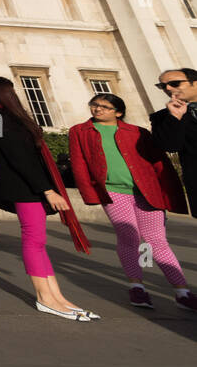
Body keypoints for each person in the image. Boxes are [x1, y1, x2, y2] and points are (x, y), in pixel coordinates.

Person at [0, 76, 94, 320]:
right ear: (4, 94)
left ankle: (57, 297)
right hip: (24, 185)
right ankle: (44, 297)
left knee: (38, 242)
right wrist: (47, 190)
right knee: (34, 241)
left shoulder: (1, 118)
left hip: (28, 183)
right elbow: (13, 154)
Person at [69, 93, 193, 311]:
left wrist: (167, 191)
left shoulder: (138, 132)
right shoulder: (79, 131)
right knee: (129, 236)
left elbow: (159, 163)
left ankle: (182, 292)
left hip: (147, 191)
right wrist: (89, 193)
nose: (98, 110)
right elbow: (79, 164)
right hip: (113, 191)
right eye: (95, 105)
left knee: (156, 240)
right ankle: (137, 287)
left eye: (105, 107)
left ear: (118, 112)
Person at [150, 68, 197, 212]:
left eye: (174, 83)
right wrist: (175, 118)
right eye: (162, 86)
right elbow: (170, 146)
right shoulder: (162, 117)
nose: (168, 88)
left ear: (194, 83)